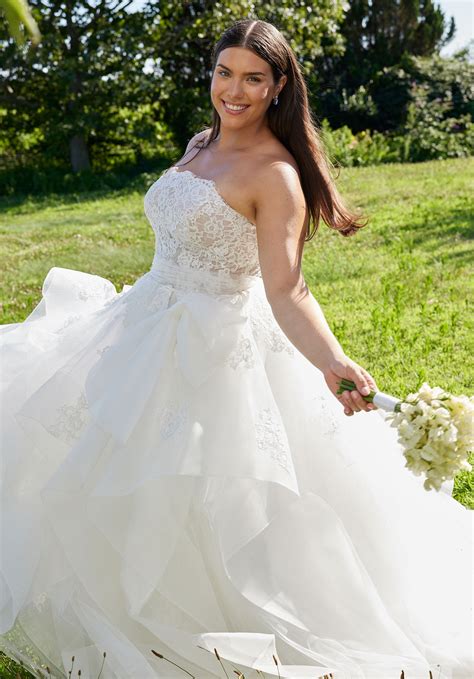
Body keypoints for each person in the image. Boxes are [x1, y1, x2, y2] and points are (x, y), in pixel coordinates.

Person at [0, 17, 472, 679]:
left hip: (216, 346)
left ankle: (212, 618)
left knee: (209, 491)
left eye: (253, 78)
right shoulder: (201, 141)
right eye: (225, 73)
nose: (234, 90)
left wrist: (333, 361)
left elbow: (287, 289)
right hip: (145, 321)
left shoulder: (275, 175)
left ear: (278, 86)